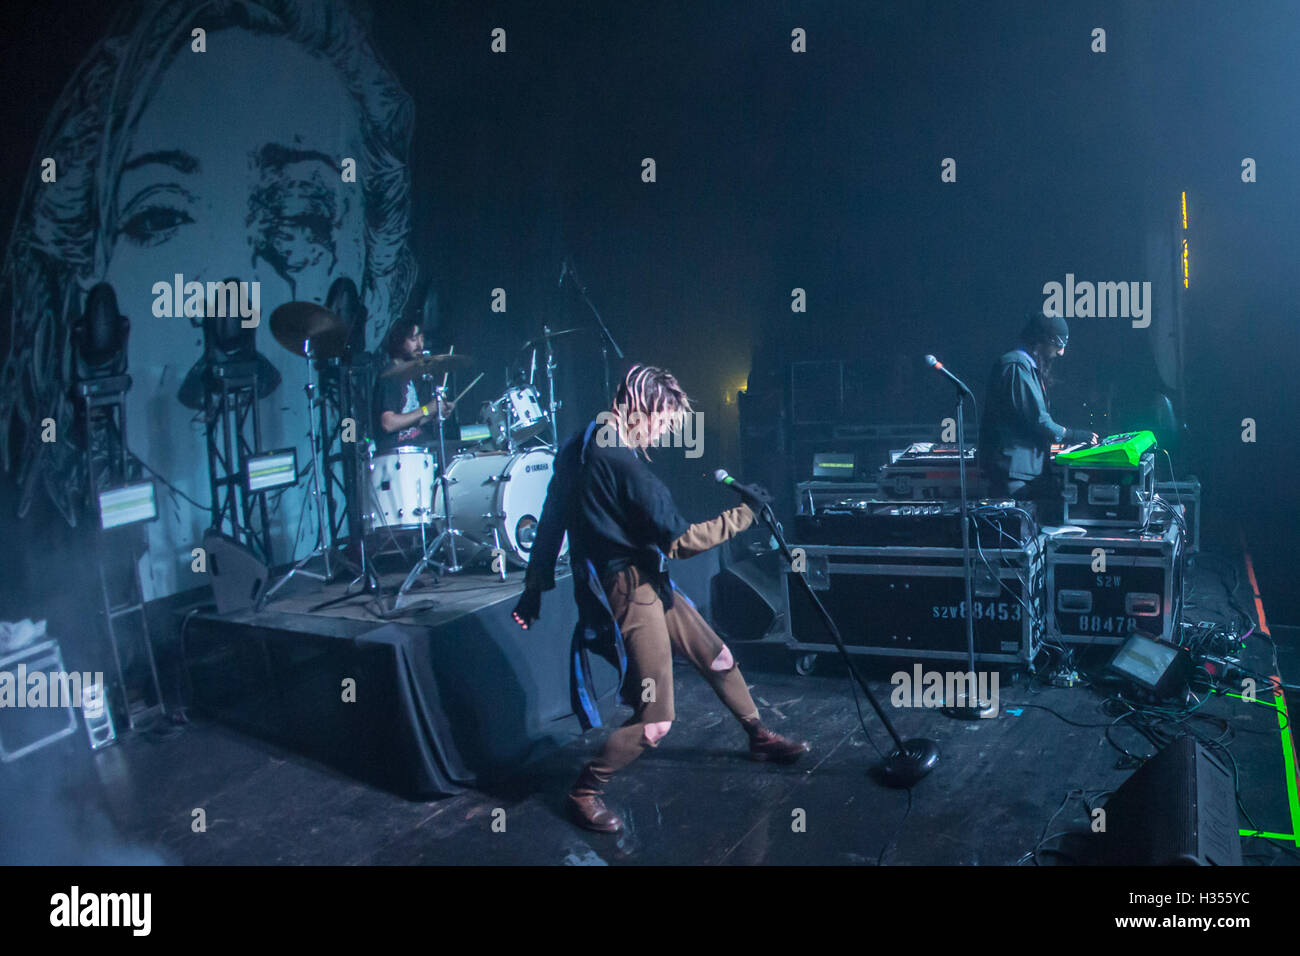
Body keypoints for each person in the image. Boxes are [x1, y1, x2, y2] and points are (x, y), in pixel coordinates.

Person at [512, 365, 809, 834]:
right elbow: (682, 542)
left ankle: (758, 736)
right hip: (629, 589)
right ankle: (583, 792)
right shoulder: (623, 464)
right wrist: (745, 515)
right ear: (640, 407)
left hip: (645, 578)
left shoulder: (581, 442)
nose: (664, 432)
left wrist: (535, 586)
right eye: (664, 421)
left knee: (718, 656)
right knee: (655, 721)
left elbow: (552, 516)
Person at [978, 313, 1098, 500]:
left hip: (1024, 471)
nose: (1061, 352)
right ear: (1042, 340)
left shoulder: (1025, 365)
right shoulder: (1016, 365)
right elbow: (1038, 420)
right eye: (1058, 345)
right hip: (1013, 473)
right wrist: (1074, 436)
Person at [373, 320, 457, 453]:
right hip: (399, 455)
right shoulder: (391, 375)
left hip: (418, 451)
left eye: (421, 339)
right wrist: (426, 409)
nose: (419, 345)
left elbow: (411, 420)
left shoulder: (407, 375)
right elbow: (388, 423)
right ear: (399, 341)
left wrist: (436, 411)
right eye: (413, 339)